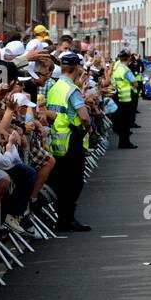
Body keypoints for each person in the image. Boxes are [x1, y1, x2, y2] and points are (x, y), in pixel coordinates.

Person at [46, 52, 92, 231]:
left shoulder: (55, 87)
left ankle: (62, 218)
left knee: (61, 182)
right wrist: (88, 128)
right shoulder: (72, 90)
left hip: (57, 139)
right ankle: (68, 219)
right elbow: (84, 117)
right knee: (74, 183)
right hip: (72, 140)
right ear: (77, 68)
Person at [110, 51, 137, 149]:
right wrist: (130, 85)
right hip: (126, 100)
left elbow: (113, 82)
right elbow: (135, 83)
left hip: (118, 99)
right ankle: (125, 142)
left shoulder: (117, 69)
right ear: (128, 58)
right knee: (126, 123)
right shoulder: (126, 70)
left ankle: (122, 142)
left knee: (121, 122)